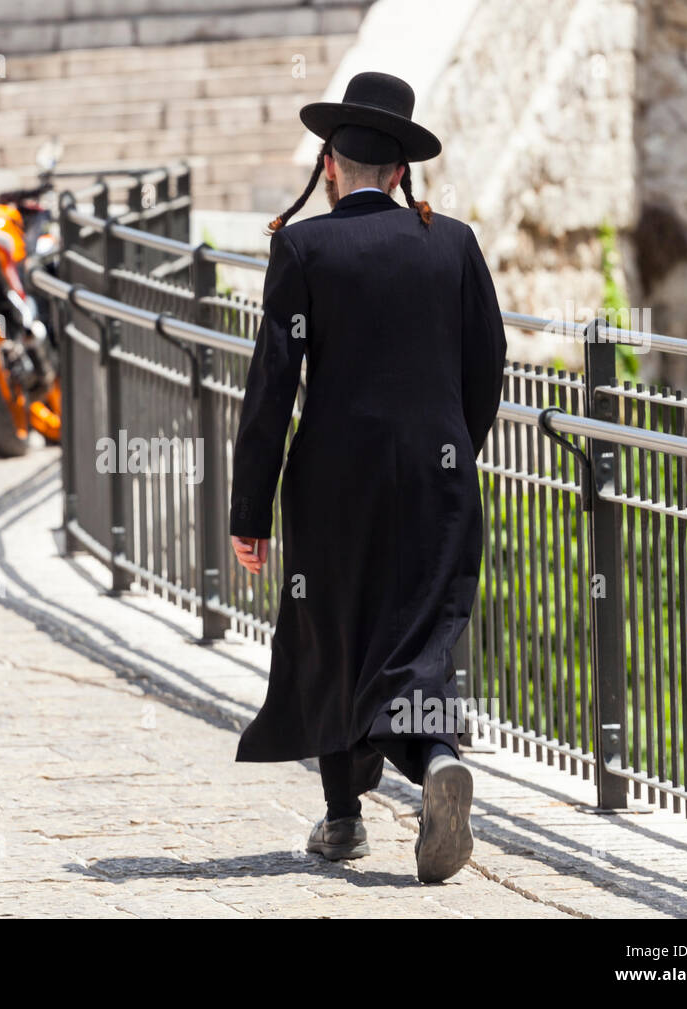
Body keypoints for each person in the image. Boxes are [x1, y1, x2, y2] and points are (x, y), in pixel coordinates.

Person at [228, 72, 507, 883]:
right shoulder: (452, 243)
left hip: (333, 484)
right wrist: (454, 448)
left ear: (332, 162)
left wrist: (252, 508)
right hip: (437, 476)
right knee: (419, 630)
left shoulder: (304, 247)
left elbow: (272, 387)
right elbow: (486, 362)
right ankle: (436, 757)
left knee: (333, 633)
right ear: (398, 171)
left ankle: (345, 815)